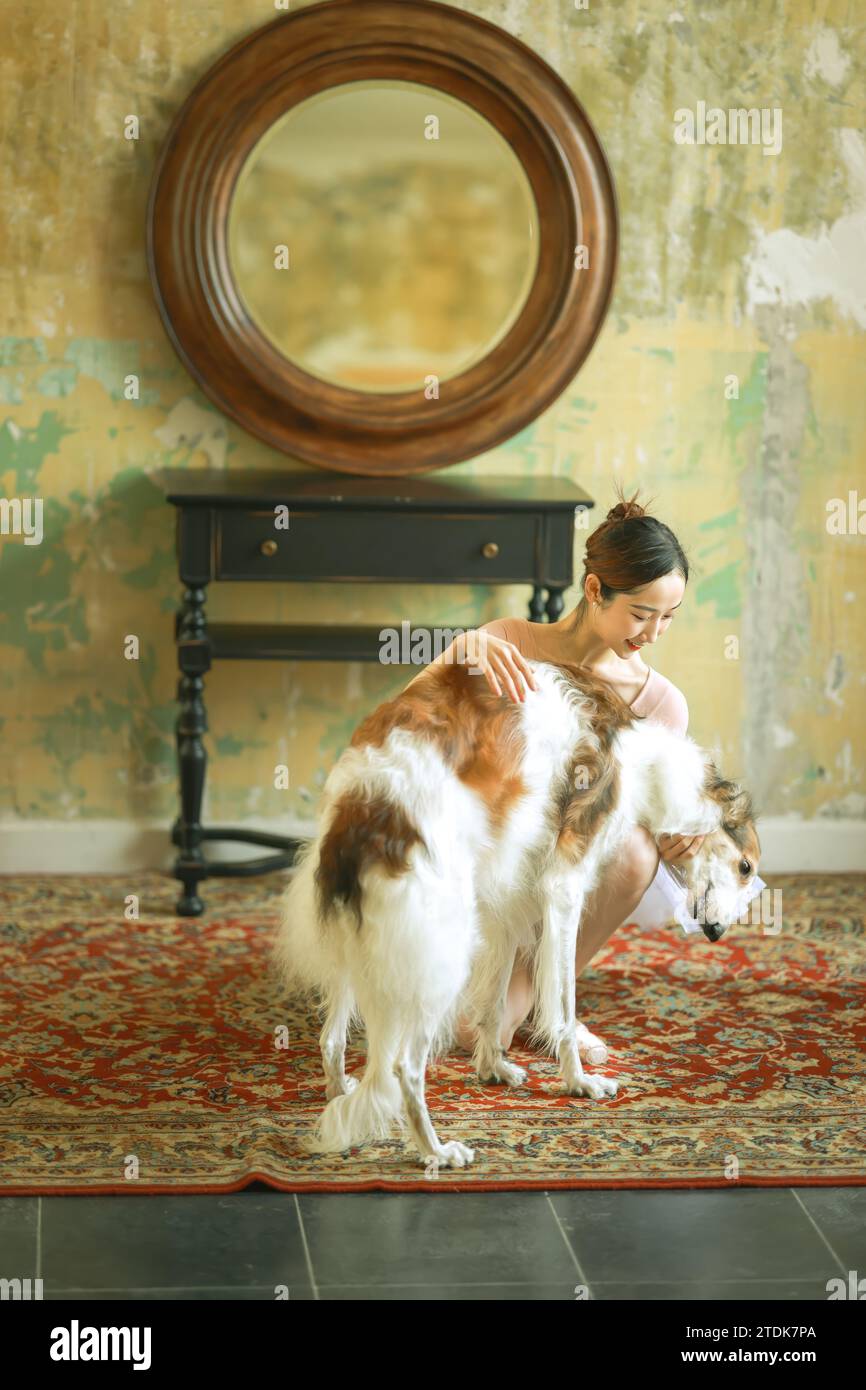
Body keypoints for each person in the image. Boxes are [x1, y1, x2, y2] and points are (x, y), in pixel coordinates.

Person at [403, 484, 705, 1063]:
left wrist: (692, 841)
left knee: (637, 850)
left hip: (567, 871)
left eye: (669, 616)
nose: (653, 633)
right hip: (485, 856)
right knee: (456, 1025)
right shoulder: (511, 643)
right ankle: (482, 981)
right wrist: (462, 649)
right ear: (594, 589)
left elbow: (652, 824)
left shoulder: (660, 702)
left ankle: (549, 995)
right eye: (641, 613)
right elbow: (410, 721)